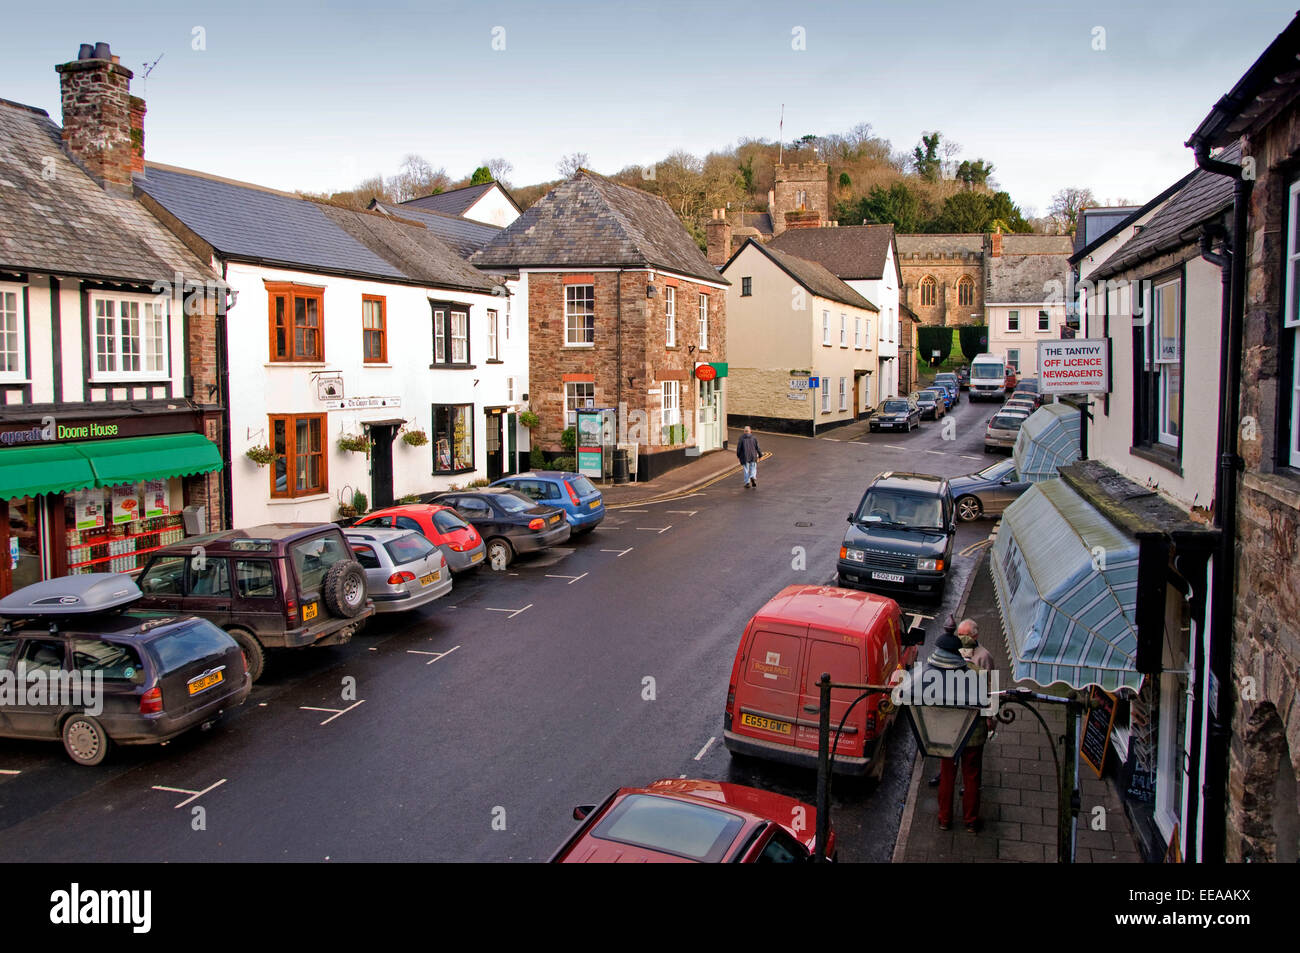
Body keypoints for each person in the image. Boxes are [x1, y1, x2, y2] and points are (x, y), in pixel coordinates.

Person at [930, 627, 992, 834]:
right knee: (972, 776)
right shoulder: (978, 673)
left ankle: (944, 819)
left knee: (947, 775)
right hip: (974, 733)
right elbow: (986, 704)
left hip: (950, 733)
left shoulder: (941, 673)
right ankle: (971, 821)